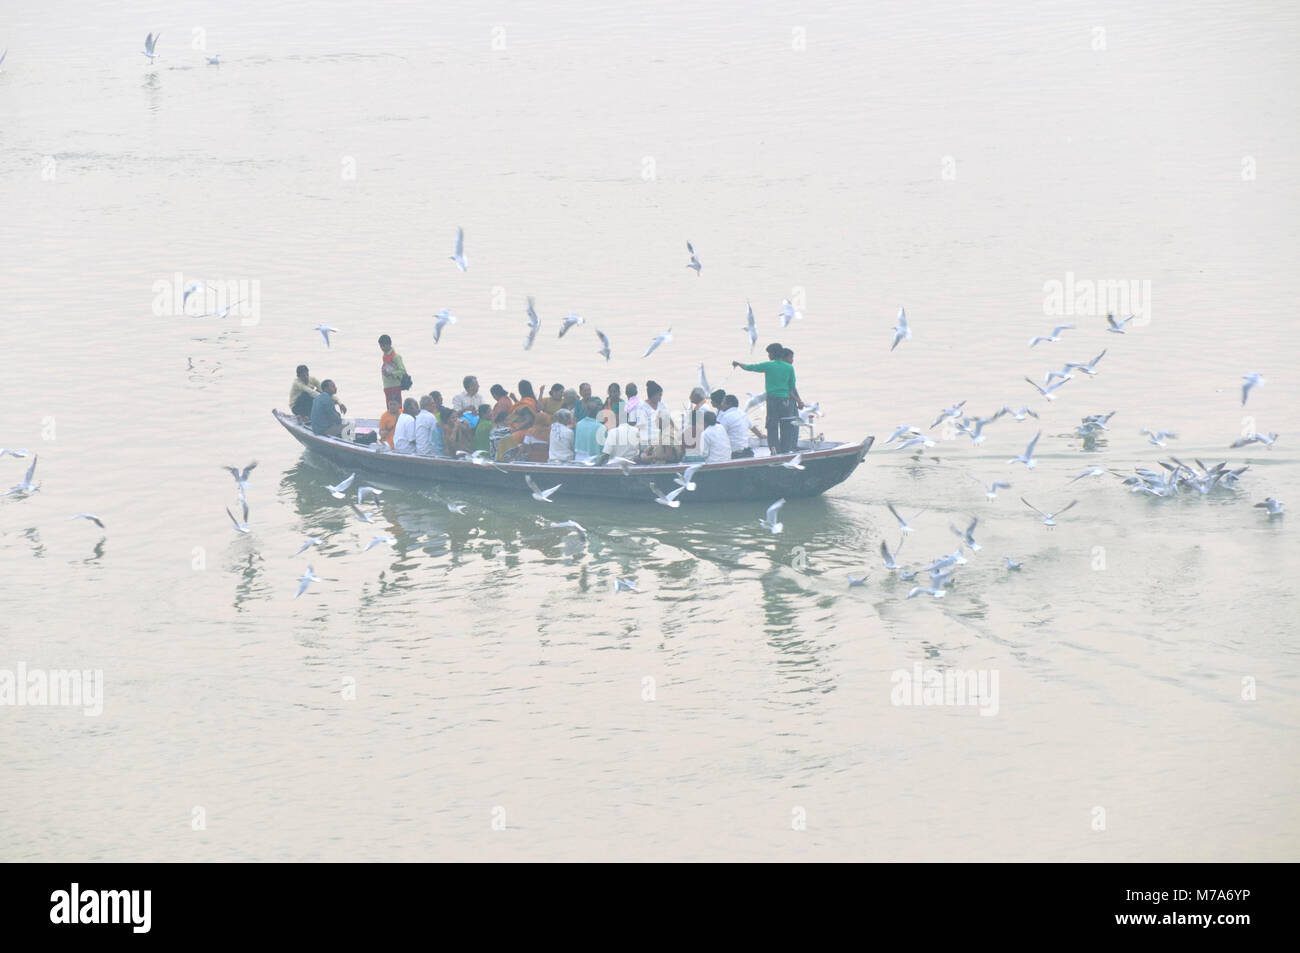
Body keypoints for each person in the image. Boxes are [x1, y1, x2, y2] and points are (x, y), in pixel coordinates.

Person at [733, 343, 797, 454]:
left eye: (769, 353)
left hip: (772, 400)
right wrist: (798, 401)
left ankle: (775, 450)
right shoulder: (789, 367)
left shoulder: (768, 365)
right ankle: (785, 450)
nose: (768, 356)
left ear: (772, 354)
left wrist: (738, 364)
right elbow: (791, 387)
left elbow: (751, 367)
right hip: (785, 401)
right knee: (785, 426)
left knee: (772, 426)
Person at [640, 381, 681, 463]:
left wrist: (677, 433)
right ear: (653, 395)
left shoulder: (662, 405)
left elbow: (669, 420)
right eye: (659, 395)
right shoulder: (642, 407)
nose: (660, 398)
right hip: (648, 440)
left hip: (662, 437)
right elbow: (640, 427)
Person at [681, 386, 709, 460]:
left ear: (697, 396)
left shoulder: (703, 408)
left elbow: (696, 426)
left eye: (692, 395)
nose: (690, 397)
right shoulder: (700, 406)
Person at [379, 335, 408, 405]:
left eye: (384, 346)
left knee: (397, 407)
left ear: (389, 344)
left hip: (395, 386)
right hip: (387, 386)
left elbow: (403, 371)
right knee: (390, 409)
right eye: (381, 346)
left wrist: (392, 374)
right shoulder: (385, 356)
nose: (382, 348)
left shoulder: (396, 356)